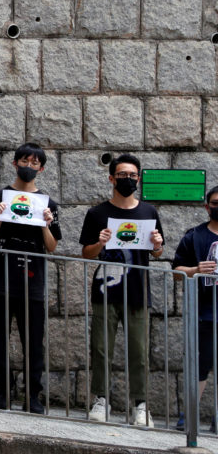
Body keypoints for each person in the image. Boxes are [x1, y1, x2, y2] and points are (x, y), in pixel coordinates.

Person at [79, 153, 164, 428]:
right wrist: (100, 242)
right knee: (101, 348)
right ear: (111, 178)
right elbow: (86, 254)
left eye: (132, 175)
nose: (127, 179)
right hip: (105, 291)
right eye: (122, 175)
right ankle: (101, 399)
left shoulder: (149, 212)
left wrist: (158, 243)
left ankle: (140, 404)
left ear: (138, 178)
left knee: (139, 351)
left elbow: (157, 250)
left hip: (138, 291)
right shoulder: (97, 213)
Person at [0, 143, 61, 414]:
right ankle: (3, 391)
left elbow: (52, 246)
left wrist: (46, 224)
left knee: (34, 341)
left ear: (42, 168)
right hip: (0, 276)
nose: (29, 166)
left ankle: (33, 395)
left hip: (33, 279)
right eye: (24, 161)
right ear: (14, 163)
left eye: (35, 163)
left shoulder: (48, 203)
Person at [171, 187, 218, 434]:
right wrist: (196, 270)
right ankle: (189, 415)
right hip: (204, 312)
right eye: (215, 202)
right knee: (200, 365)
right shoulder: (194, 236)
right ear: (206, 206)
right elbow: (176, 271)